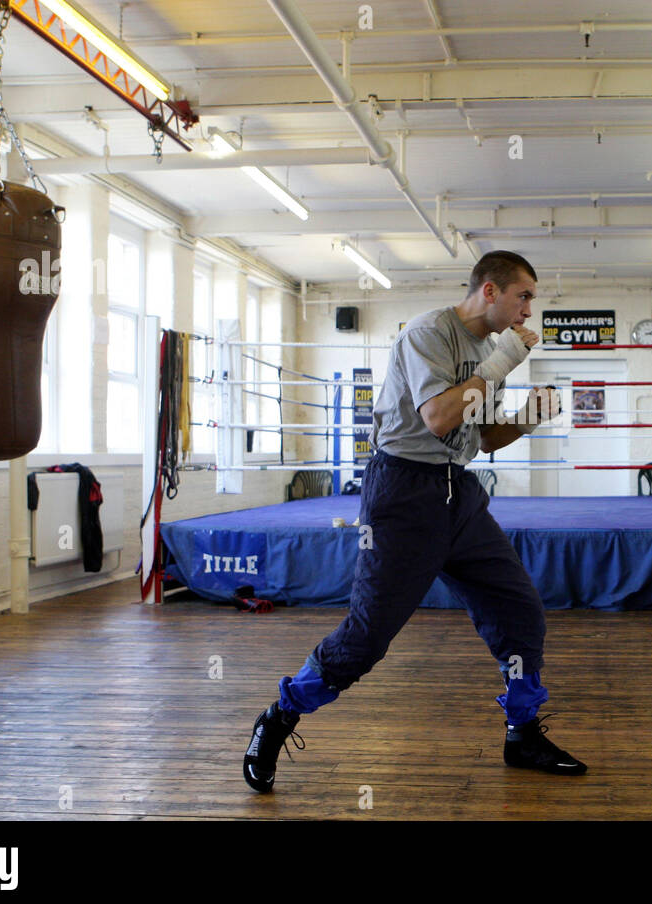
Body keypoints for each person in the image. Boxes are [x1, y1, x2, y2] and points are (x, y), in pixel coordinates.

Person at [243, 250, 587, 793]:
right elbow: (438, 417)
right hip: (402, 493)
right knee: (367, 637)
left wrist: (528, 418)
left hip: (461, 494)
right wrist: (502, 364)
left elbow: (479, 434)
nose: (528, 311)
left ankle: (522, 733)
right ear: (491, 291)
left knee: (520, 611)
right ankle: (280, 714)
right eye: (524, 296)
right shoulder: (430, 332)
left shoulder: (484, 349)